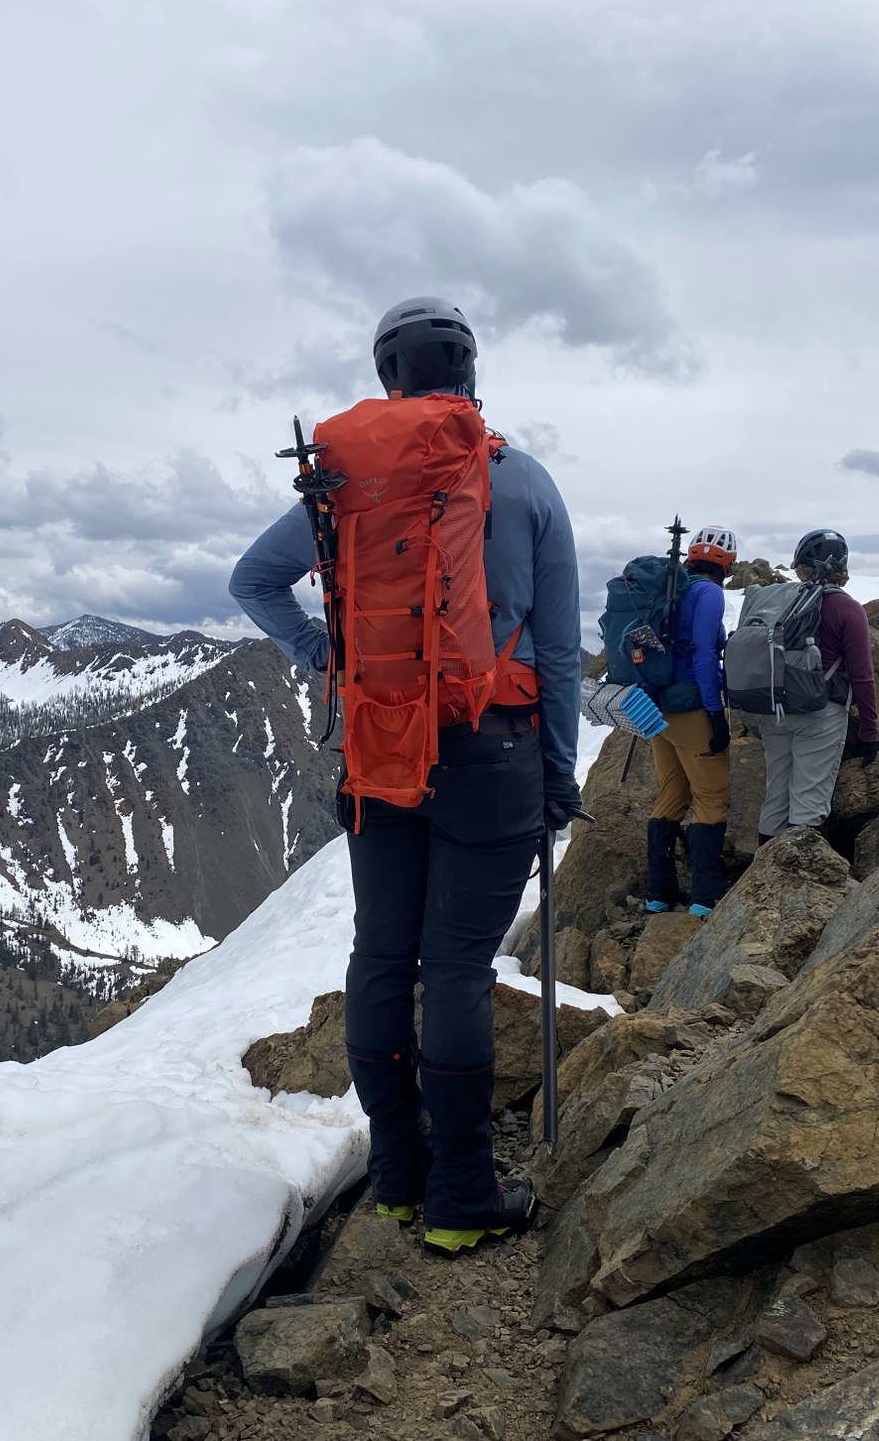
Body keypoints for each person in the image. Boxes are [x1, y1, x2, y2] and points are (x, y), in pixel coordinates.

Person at [229, 296, 581, 1255]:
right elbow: (557, 651)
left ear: (388, 379)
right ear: (469, 373)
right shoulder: (529, 484)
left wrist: (327, 655)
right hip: (494, 751)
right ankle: (463, 1195)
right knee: (458, 967)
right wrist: (560, 773)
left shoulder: (344, 484)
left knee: (383, 957)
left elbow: (251, 581)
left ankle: (395, 1178)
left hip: (378, 748)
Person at [755, 528, 879, 841]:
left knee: (775, 799)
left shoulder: (780, 603)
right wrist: (869, 730)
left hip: (773, 708)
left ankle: (758, 883)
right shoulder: (846, 608)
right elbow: (862, 675)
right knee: (808, 802)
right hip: (819, 711)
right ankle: (799, 883)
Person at [645, 527, 737, 916]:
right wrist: (715, 713)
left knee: (671, 794)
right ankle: (706, 896)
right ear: (726, 564)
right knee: (712, 798)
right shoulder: (708, 593)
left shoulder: (672, 589)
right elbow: (702, 655)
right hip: (690, 705)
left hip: (653, 706)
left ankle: (659, 893)